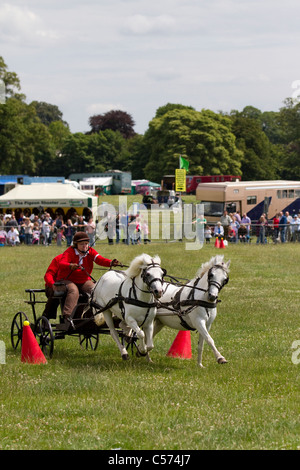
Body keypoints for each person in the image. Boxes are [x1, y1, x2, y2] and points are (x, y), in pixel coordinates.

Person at [53, 232, 120, 327]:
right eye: (81, 244)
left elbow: (99, 259)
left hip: (84, 280)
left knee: (96, 289)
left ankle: (99, 314)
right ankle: (68, 317)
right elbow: (61, 263)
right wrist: (70, 265)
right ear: (76, 245)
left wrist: (111, 263)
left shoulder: (90, 251)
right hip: (67, 279)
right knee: (73, 290)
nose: (85, 246)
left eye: (86, 243)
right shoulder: (70, 252)